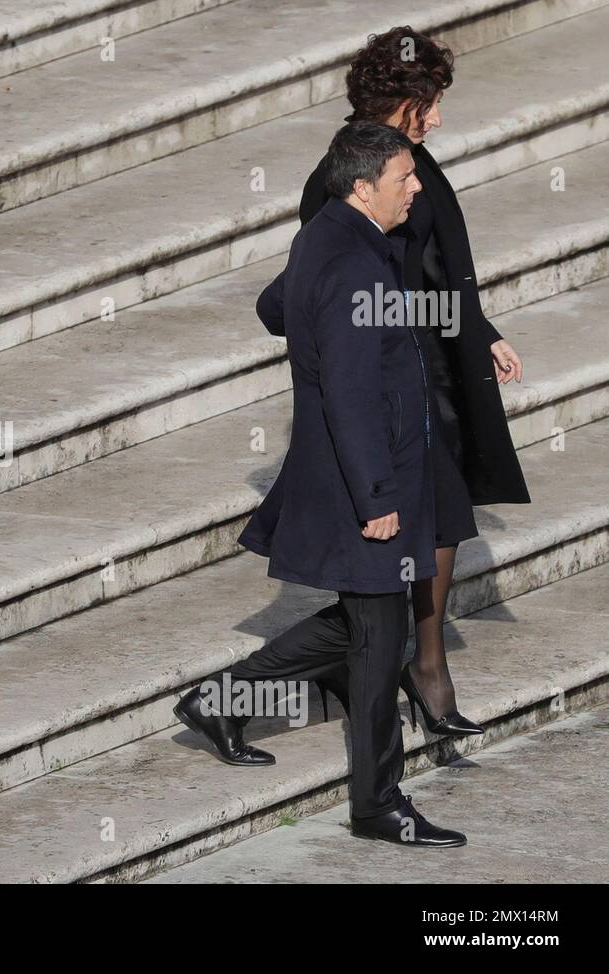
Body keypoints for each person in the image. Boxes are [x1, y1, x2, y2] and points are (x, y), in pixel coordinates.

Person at [174, 120, 465, 847]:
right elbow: (350, 391)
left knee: (370, 625)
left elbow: (275, 307)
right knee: (377, 638)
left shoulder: (330, 239)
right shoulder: (353, 264)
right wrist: (377, 501)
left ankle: (220, 701)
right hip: (362, 483)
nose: (417, 186)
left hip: (359, 474)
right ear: (364, 186)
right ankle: (378, 804)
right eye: (405, 176)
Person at [297, 26, 529, 735]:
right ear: (399, 99)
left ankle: (413, 663)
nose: (436, 116)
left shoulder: (408, 159)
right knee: (436, 517)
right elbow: (326, 285)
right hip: (396, 374)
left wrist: (479, 330)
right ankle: (420, 667)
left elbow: (436, 263)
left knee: (442, 515)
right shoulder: (349, 175)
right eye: (428, 102)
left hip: (433, 361)